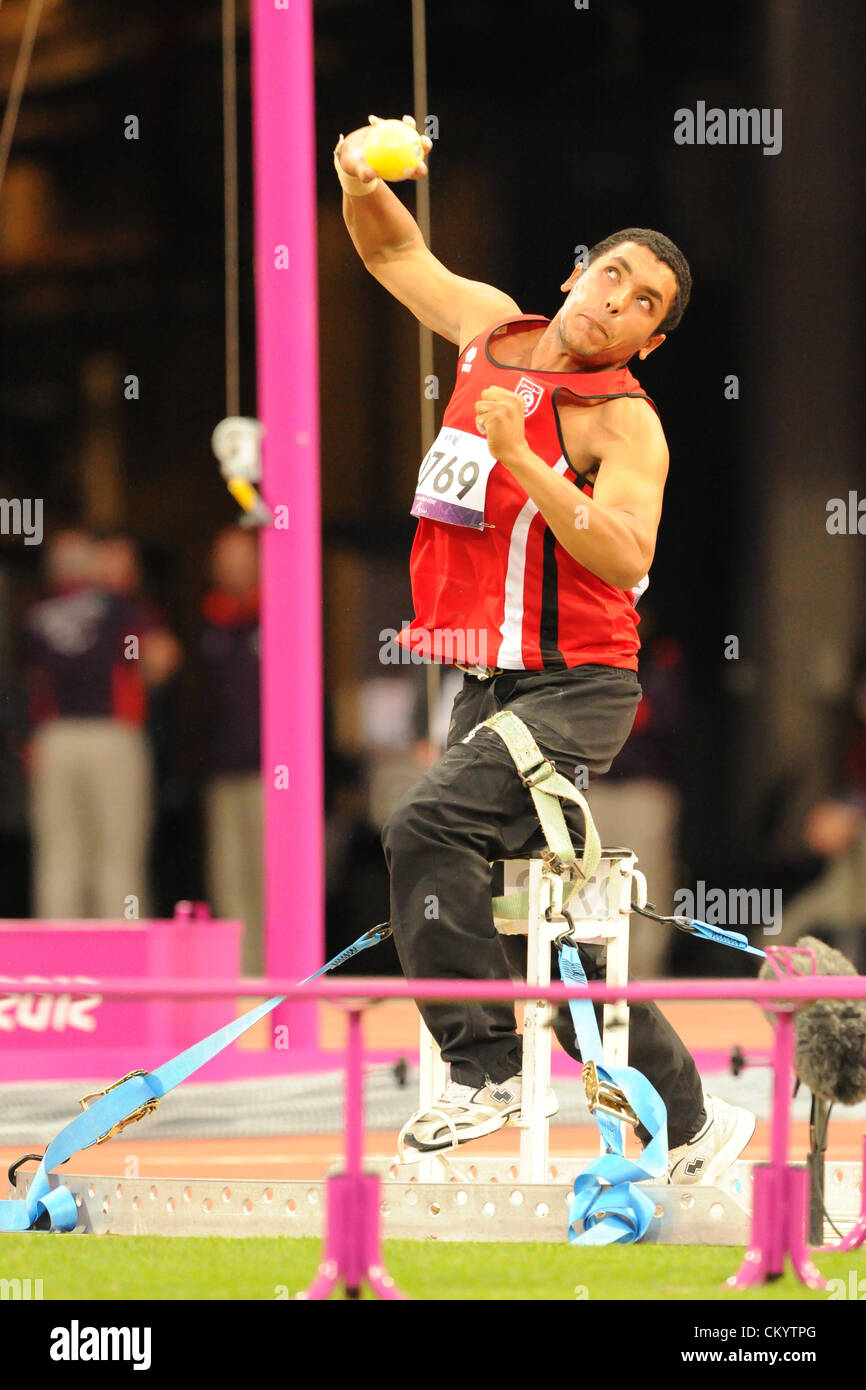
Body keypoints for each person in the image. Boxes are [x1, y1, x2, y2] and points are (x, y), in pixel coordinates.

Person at [335, 116, 754, 1184]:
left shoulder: (623, 421)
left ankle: (484, 1068)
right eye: (612, 275)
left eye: (643, 303)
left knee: (423, 825)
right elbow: (390, 251)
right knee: (550, 924)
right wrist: (352, 170)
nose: (617, 301)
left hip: (576, 685)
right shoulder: (487, 330)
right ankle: (696, 1122)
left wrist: (527, 460)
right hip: (486, 675)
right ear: (574, 273)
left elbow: (620, 555)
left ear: (650, 341)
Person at [25, 528, 181, 919]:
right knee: (117, 855)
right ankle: (122, 960)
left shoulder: (37, 616)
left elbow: (34, 683)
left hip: (56, 739)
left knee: (59, 856)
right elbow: (160, 659)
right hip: (111, 736)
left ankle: (57, 967)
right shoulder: (117, 608)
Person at [198, 527, 263, 974]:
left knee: (272, 879)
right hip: (224, 772)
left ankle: (283, 974)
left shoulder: (280, 614)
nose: (232, 568)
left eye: (241, 558)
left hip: (273, 776)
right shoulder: (209, 623)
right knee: (228, 876)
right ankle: (242, 978)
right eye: (225, 559)